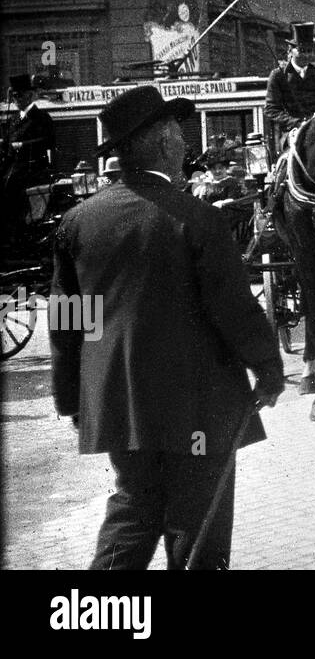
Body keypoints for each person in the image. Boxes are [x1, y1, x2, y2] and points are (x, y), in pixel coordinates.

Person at [50, 85, 284, 570]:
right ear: (158, 140)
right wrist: (268, 368)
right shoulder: (197, 219)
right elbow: (234, 309)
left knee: (133, 510)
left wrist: (72, 397)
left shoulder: (77, 223)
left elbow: (68, 320)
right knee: (198, 527)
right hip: (198, 404)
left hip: (121, 404)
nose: (184, 141)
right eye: (177, 131)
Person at [264, 22, 315, 154]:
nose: (307, 55)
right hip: (292, 132)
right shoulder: (278, 75)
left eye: (309, 51)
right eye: (302, 51)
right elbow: (271, 109)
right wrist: (295, 122)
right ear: (290, 50)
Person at [2, 73, 56, 237]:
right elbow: (6, 144)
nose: (17, 100)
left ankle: (15, 230)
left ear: (29, 95)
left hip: (32, 167)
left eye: (20, 96)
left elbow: (49, 142)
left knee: (9, 185)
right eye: (15, 96)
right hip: (13, 165)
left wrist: (23, 145)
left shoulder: (41, 118)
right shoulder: (13, 119)